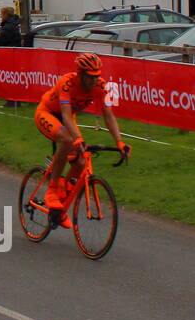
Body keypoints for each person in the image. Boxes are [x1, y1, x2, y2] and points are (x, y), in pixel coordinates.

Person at [34, 53, 129, 229]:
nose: (94, 80)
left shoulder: (101, 86)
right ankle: (53, 190)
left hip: (69, 118)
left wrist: (120, 142)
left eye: (97, 76)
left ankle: (59, 207)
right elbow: (65, 114)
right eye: (90, 76)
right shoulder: (67, 83)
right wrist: (77, 139)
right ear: (80, 73)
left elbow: (108, 116)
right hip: (47, 113)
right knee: (68, 140)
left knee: (80, 160)